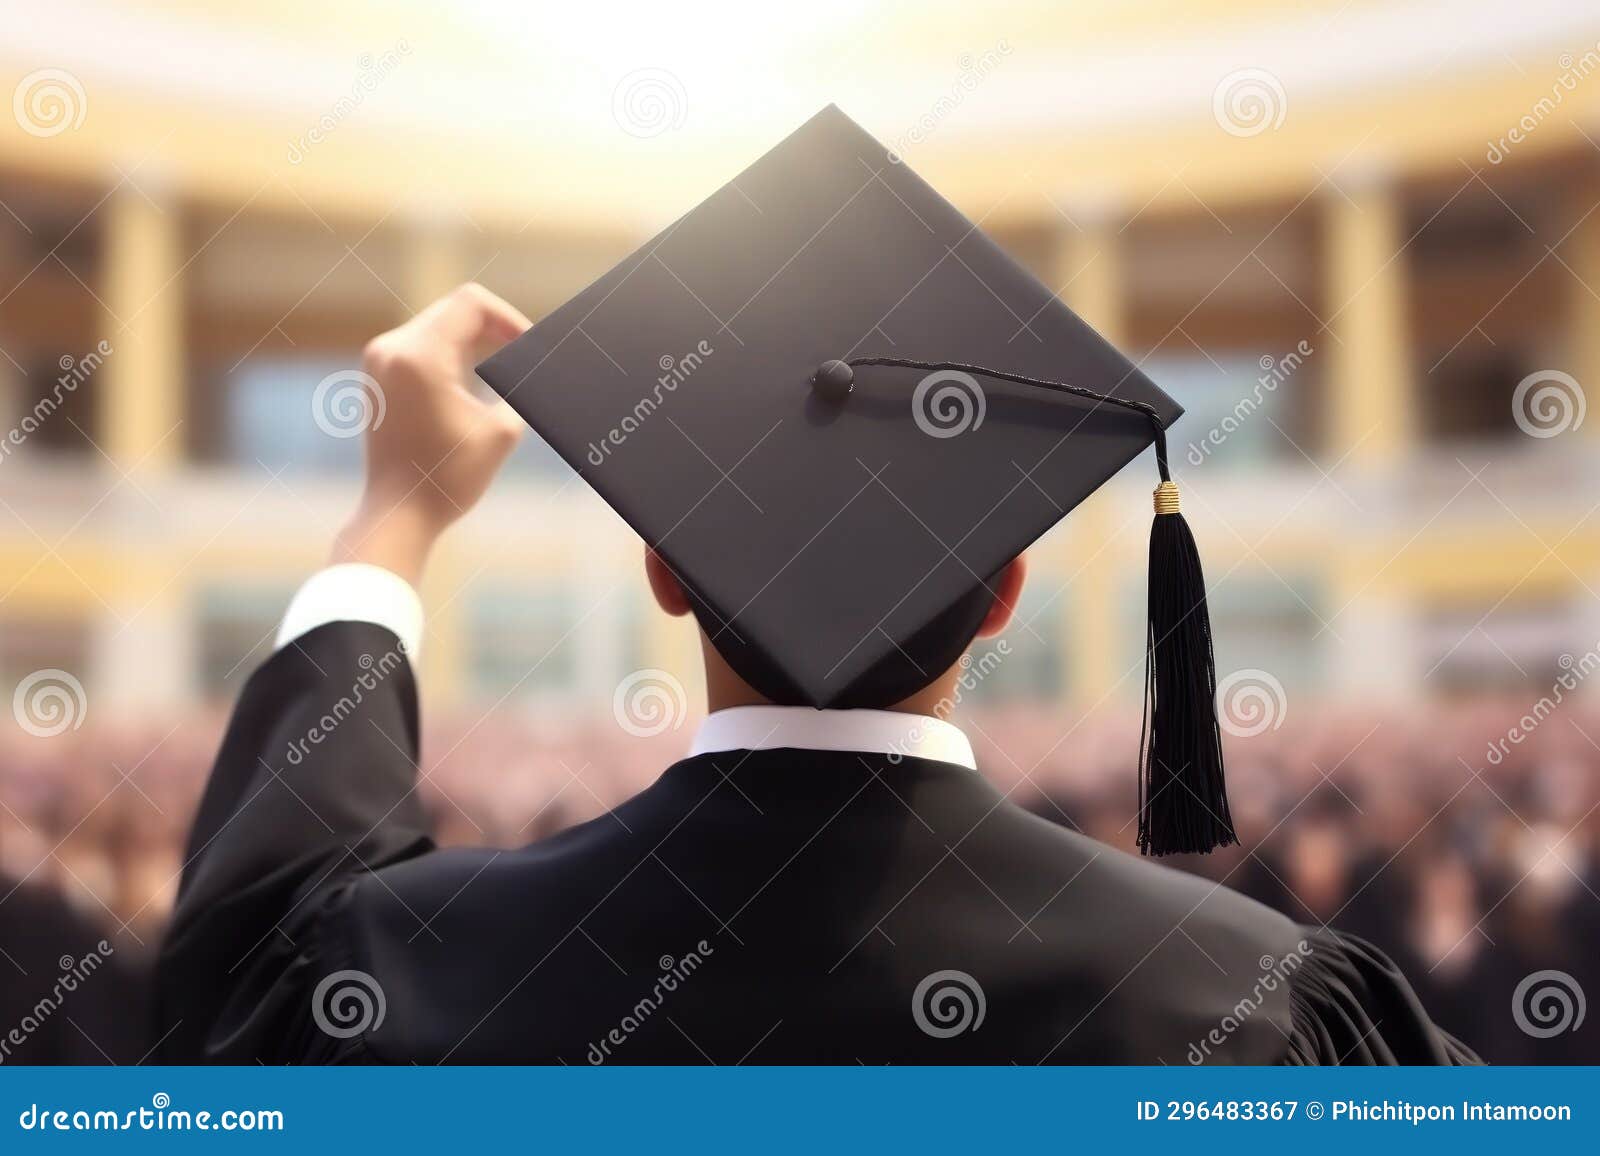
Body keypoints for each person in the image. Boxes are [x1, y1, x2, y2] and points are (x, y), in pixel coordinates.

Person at [157, 108, 1476, 1064]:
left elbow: (241, 949)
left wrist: (395, 517)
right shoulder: (1245, 1001)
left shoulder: (414, 970)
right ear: (1009, 590)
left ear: (665, 575)